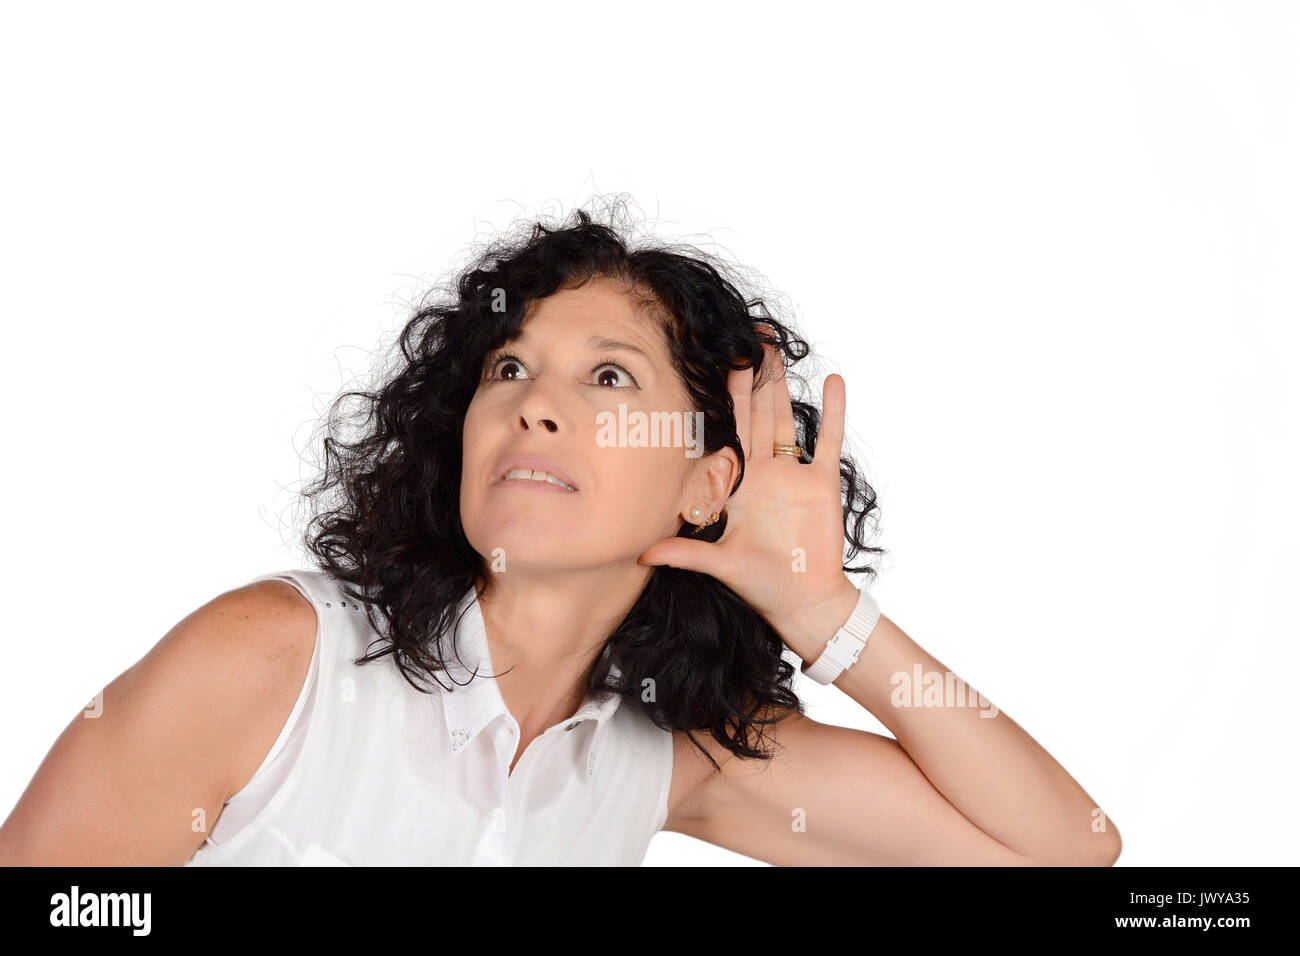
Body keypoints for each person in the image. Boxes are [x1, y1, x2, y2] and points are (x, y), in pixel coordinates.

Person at [0, 199, 1121, 866]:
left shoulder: (671, 760)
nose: (536, 401)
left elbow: (1063, 849)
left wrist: (823, 612)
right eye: (511, 367)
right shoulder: (272, 659)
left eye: (608, 377)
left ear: (703, 482)